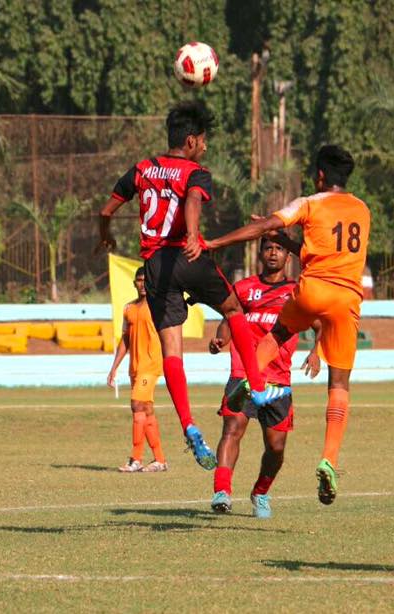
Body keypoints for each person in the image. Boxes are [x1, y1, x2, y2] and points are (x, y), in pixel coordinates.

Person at [98, 100, 290, 471]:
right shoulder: (195, 172)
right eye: (202, 141)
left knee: (172, 349)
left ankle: (188, 425)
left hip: (155, 267)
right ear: (189, 141)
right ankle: (258, 387)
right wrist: (192, 233)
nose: (204, 147)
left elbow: (106, 211)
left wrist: (106, 236)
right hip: (188, 257)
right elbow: (191, 200)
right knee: (234, 308)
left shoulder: (141, 169)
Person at [205, 144, 370, 505]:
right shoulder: (362, 210)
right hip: (346, 300)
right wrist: (291, 244)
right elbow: (327, 253)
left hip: (312, 291)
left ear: (320, 176)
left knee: (278, 333)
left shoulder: (310, 203)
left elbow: (264, 226)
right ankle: (329, 459)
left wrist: (217, 241)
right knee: (339, 384)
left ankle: (250, 378)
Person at [208, 234, 321, 518]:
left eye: (279, 249)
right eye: (268, 248)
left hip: (278, 381)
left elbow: (320, 324)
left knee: (276, 448)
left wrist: (317, 352)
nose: (273, 253)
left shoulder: (297, 291)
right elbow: (228, 318)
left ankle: (260, 492)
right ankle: (222, 492)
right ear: (260, 254)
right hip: (243, 374)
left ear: (288, 256)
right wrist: (220, 340)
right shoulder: (244, 289)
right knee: (232, 431)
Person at [107, 267, 167, 473]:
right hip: (135, 367)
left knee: (136, 406)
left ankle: (136, 458)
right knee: (147, 411)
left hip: (151, 365)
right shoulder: (128, 309)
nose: (142, 284)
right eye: (139, 280)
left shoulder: (158, 306)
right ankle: (159, 460)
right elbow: (125, 340)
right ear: (134, 283)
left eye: (146, 280)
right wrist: (114, 367)